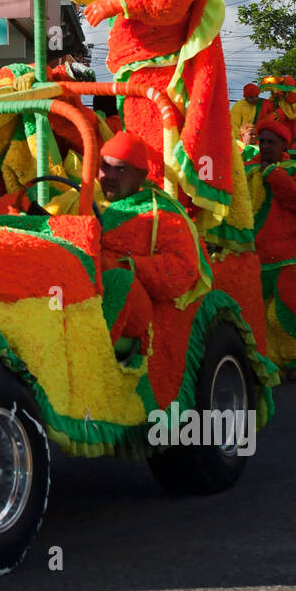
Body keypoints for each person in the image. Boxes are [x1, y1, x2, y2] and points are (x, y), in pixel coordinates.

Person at [28, 0, 252, 253]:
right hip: (132, 80)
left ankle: (171, 241)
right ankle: (142, 235)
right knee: (138, 163)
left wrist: (120, 3)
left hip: (165, 77)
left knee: (160, 164)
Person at [96, 131, 213, 406]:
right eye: (105, 167)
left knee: (118, 280)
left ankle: (91, 367)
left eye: (120, 169)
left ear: (140, 175)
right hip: (80, 304)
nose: (109, 176)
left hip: (135, 320)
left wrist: (125, 265)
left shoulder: (163, 214)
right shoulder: (82, 201)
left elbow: (183, 271)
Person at [245, 120, 296, 377]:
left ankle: (293, 360)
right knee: (258, 317)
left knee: (287, 313)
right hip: (254, 258)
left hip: (287, 259)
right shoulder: (247, 171)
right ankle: (267, 363)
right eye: (261, 142)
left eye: (270, 142)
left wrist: (274, 176)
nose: (264, 146)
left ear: (283, 146)